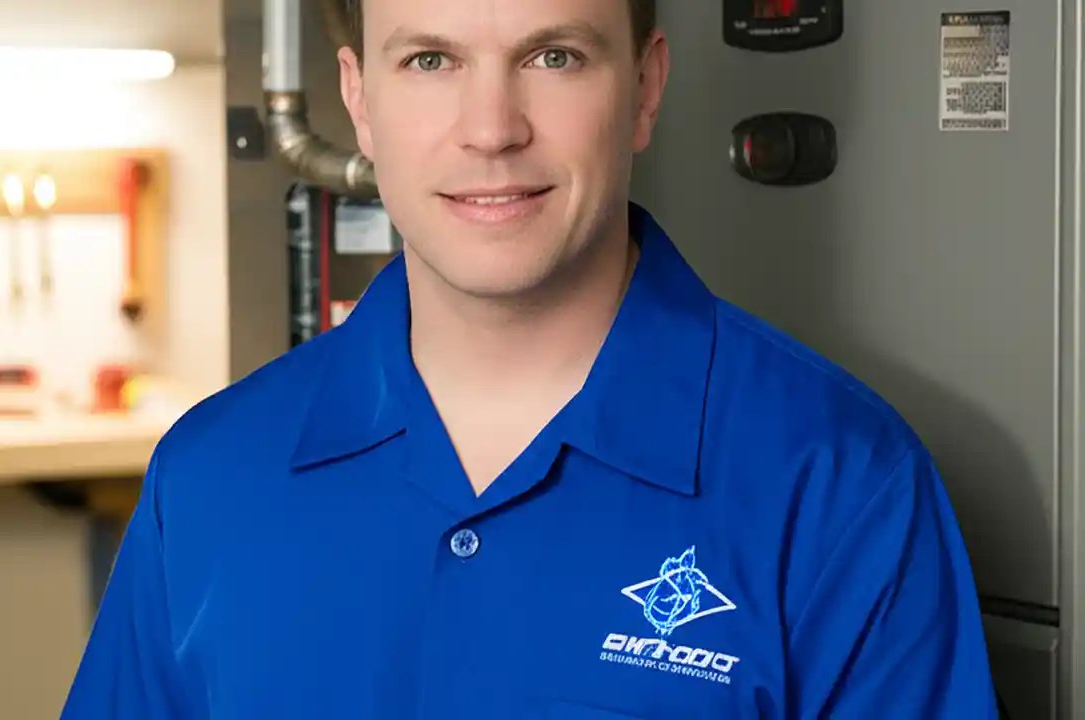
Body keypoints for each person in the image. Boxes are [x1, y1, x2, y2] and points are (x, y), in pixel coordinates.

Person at [60, 0, 1000, 717]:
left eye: (554, 56)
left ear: (645, 87)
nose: (492, 128)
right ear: (359, 100)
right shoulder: (211, 475)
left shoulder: (840, 484)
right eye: (430, 60)